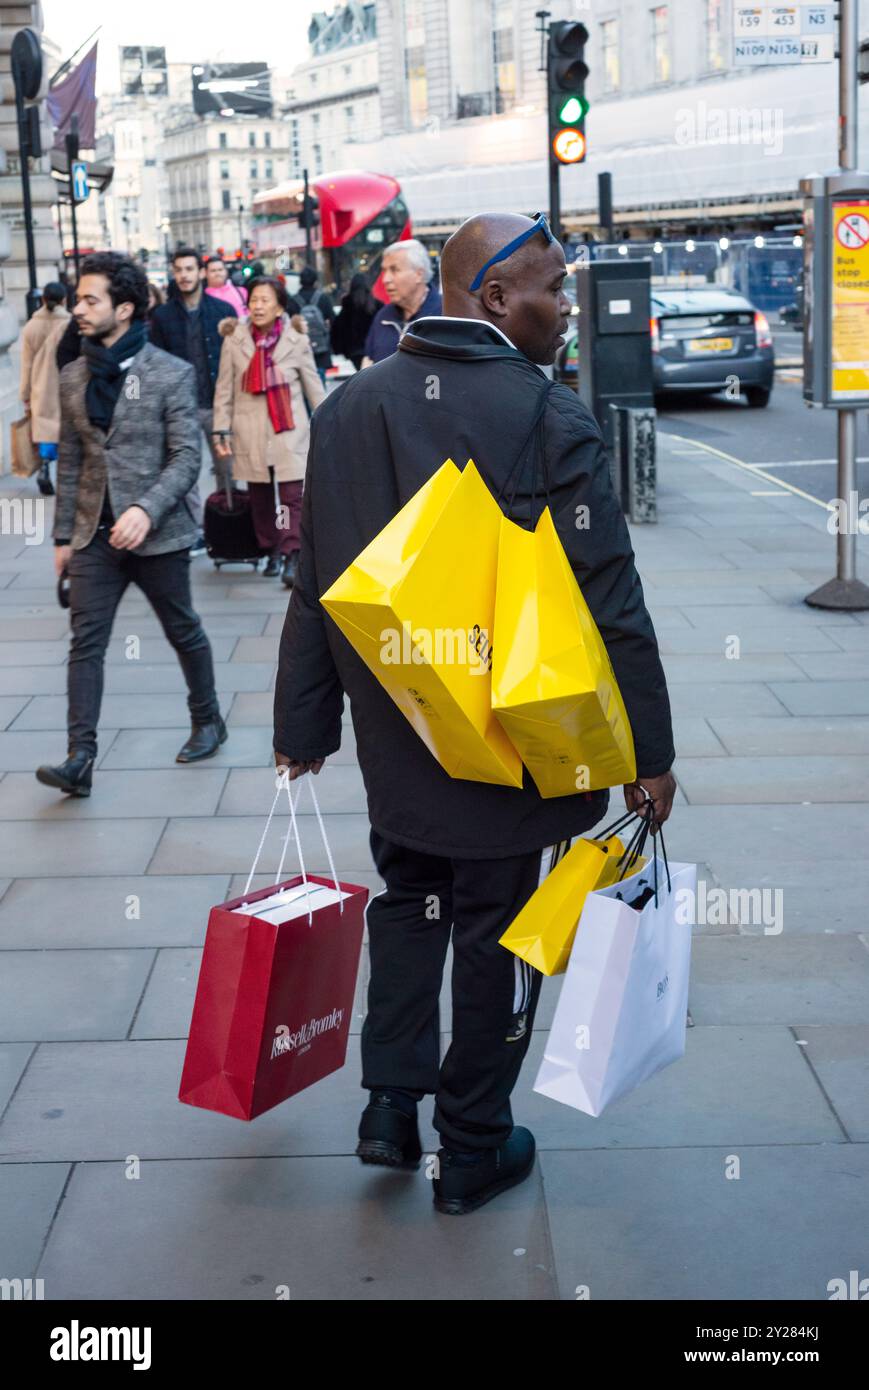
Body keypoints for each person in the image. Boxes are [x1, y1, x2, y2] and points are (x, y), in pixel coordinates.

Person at [272, 212, 676, 1216]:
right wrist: (647, 752)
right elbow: (609, 598)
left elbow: (311, 582)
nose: (567, 307)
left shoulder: (347, 409)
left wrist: (302, 725)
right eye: (553, 288)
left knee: (407, 903)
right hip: (512, 744)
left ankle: (386, 1108)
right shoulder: (548, 416)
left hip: (394, 731)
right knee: (498, 933)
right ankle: (473, 1141)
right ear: (495, 299)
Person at [35, 252, 227, 799]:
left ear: (124, 308)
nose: (79, 308)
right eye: (77, 299)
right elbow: (71, 462)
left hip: (158, 534)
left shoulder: (170, 373)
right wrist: (62, 537)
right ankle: (81, 757)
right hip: (96, 532)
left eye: (90, 299)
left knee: (181, 628)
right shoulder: (74, 376)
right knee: (84, 643)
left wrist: (147, 508)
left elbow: (188, 457)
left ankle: (208, 719)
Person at [212, 275, 325, 587]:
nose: (257, 306)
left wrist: (329, 420)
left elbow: (312, 385)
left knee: (291, 496)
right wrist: (220, 430)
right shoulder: (234, 339)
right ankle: (271, 547)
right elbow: (224, 389)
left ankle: (292, 552)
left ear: (279, 308)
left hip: (289, 428)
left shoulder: (296, 339)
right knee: (260, 496)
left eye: (265, 300)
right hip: (249, 429)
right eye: (253, 300)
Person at [148, 246, 237, 491]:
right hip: (180, 407)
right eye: (178, 270)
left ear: (201, 273)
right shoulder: (162, 317)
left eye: (189, 269)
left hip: (216, 405)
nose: (184, 275)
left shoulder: (223, 311)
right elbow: (156, 363)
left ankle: (225, 522)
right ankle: (192, 527)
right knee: (181, 474)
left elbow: (238, 361)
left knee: (227, 471)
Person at [20, 282, 70, 495]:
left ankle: (45, 466)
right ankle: (67, 475)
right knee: (67, 431)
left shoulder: (31, 326)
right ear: (64, 300)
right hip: (65, 384)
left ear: (42, 300)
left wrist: (25, 393)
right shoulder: (70, 324)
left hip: (41, 386)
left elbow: (27, 364)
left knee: (46, 431)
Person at [361, 239, 442, 366]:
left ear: (419, 274)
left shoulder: (446, 314)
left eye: (394, 270)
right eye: (384, 271)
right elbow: (368, 363)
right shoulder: (382, 317)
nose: (385, 279)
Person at [295, 265, 335, 386]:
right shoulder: (323, 298)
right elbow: (333, 320)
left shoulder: (293, 300)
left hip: (300, 347)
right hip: (320, 348)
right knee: (319, 380)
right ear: (315, 281)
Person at [331, 272, 377, 371]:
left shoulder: (347, 305)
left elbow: (337, 329)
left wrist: (341, 349)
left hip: (354, 352)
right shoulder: (377, 306)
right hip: (373, 350)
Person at [204, 254, 248, 319]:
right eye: (213, 271)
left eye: (220, 270)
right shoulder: (201, 296)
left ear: (226, 271)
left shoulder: (241, 292)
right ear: (206, 274)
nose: (217, 273)